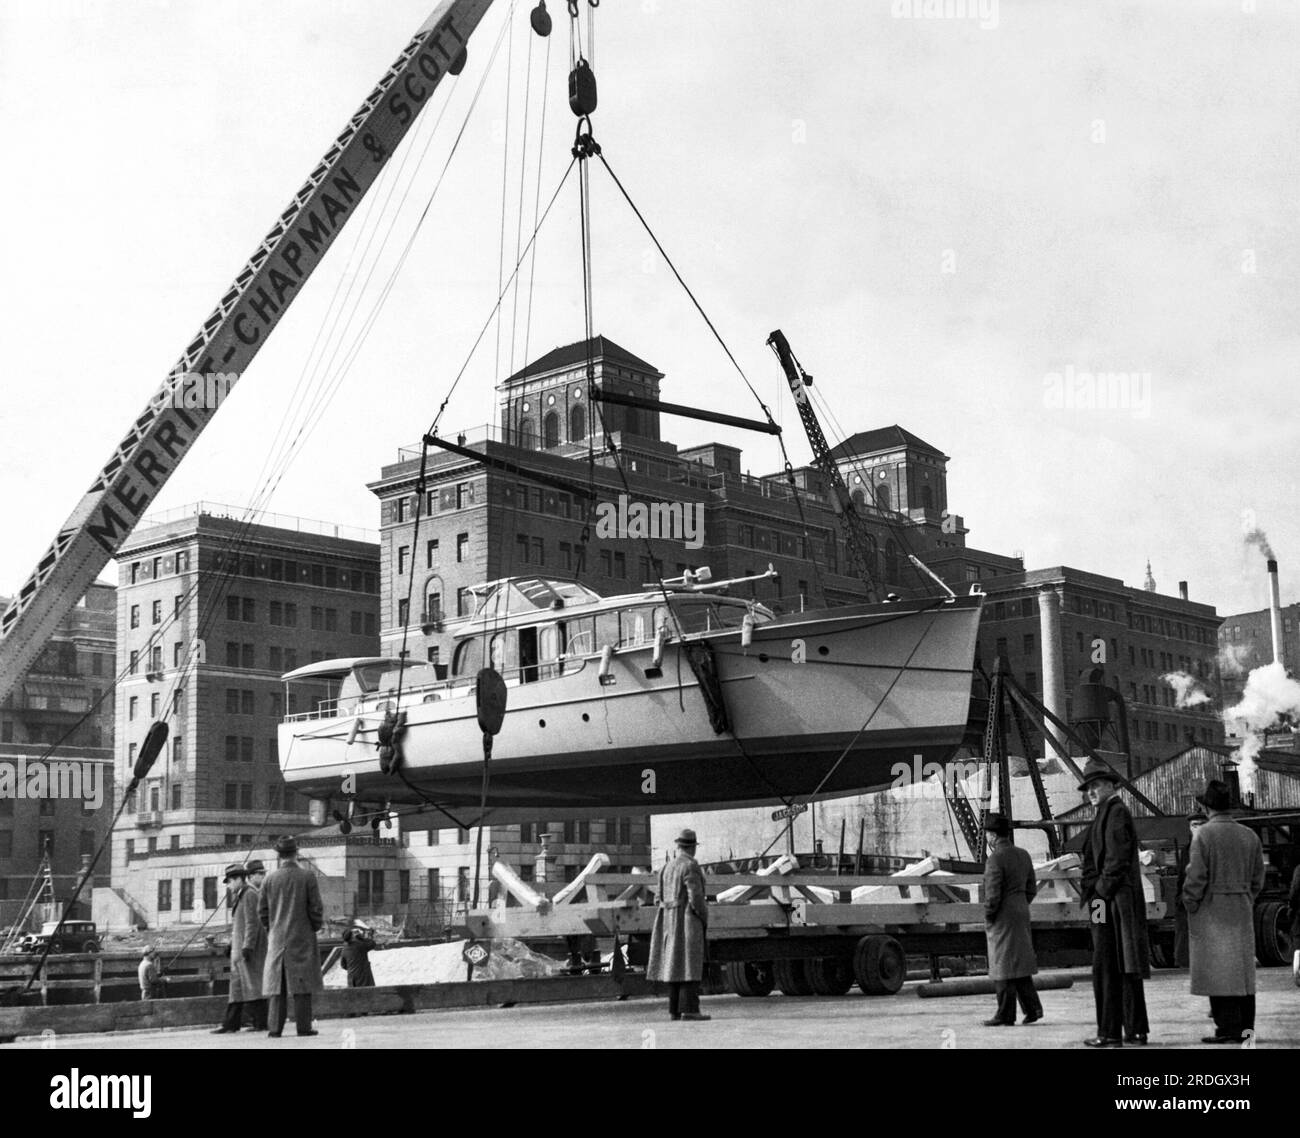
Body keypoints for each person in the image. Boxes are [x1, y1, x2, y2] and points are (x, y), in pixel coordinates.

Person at [1182, 779, 1265, 1044]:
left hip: (1211, 909)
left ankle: (1225, 1029)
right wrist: (1245, 897)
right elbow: (1258, 878)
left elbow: (1196, 876)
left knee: (1217, 971)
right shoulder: (1249, 835)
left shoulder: (1203, 835)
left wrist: (1190, 902)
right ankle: (1246, 1030)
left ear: (1206, 808)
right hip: (1240, 907)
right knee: (1242, 973)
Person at [1079, 758, 1150, 1047]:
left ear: (1110, 785)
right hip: (1103, 901)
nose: (1091, 792)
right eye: (1088, 788)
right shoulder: (1105, 813)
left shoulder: (1115, 812)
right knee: (1113, 963)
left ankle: (1111, 1033)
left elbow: (1116, 861)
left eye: (1096, 786)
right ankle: (1129, 1030)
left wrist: (1098, 892)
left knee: (1108, 964)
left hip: (1108, 902)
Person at [980, 812, 1042, 1027]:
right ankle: (1033, 1008)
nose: (987, 837)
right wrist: (1020, 904)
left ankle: (1005, 1014)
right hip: (1021, 910)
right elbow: (1031, 888)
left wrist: (989, 915)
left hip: (1002, 915)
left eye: (988, 833)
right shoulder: (1023, 854)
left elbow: (993, 894)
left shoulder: (995, 858)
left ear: (993, 836)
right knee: (1020, 962)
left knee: (1002, 963)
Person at [259, 836, 324, 1038]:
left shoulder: (269, 879)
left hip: (277, 938)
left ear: (279, 855)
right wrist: (315, 926)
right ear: (297, 853)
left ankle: (274, 1028)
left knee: (277, 985)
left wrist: (272, 928)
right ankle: (303, 1027)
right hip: (302, 936)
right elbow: (316, 908)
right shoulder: (307, 876)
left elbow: (262, 910)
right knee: (302, 984)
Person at [647, 828, 710, 1022]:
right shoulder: (691, 866)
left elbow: (657, 898)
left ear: (679, 846)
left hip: (667, 921)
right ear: (693, 848)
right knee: (690, 963)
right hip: (687, 920)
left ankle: (674, 1010)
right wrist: (703, 916)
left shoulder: (667, 867)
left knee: (673, 964)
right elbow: (696, 897)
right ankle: (690, 1010)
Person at [213, 861, 269, 1033]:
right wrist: (232, 945)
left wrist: (248, 947)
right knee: (236, 988)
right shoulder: (242, 895)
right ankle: (231, 1024)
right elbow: (241, 925)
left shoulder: (250, 894)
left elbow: (253, 923)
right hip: (239, 950)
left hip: (247, 951)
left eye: (229, 882)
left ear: (238, 879)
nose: (228, 886)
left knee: (252, 985)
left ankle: (260, 1023)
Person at [1173, 812, 1207, 968]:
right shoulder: (1186, 850)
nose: (1198, 828)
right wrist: (1179, 897)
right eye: (1194, 825)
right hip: (1188, 897)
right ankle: (1184, 961)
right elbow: (1182, 876)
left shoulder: (1211, 848)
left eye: (1201, 824)